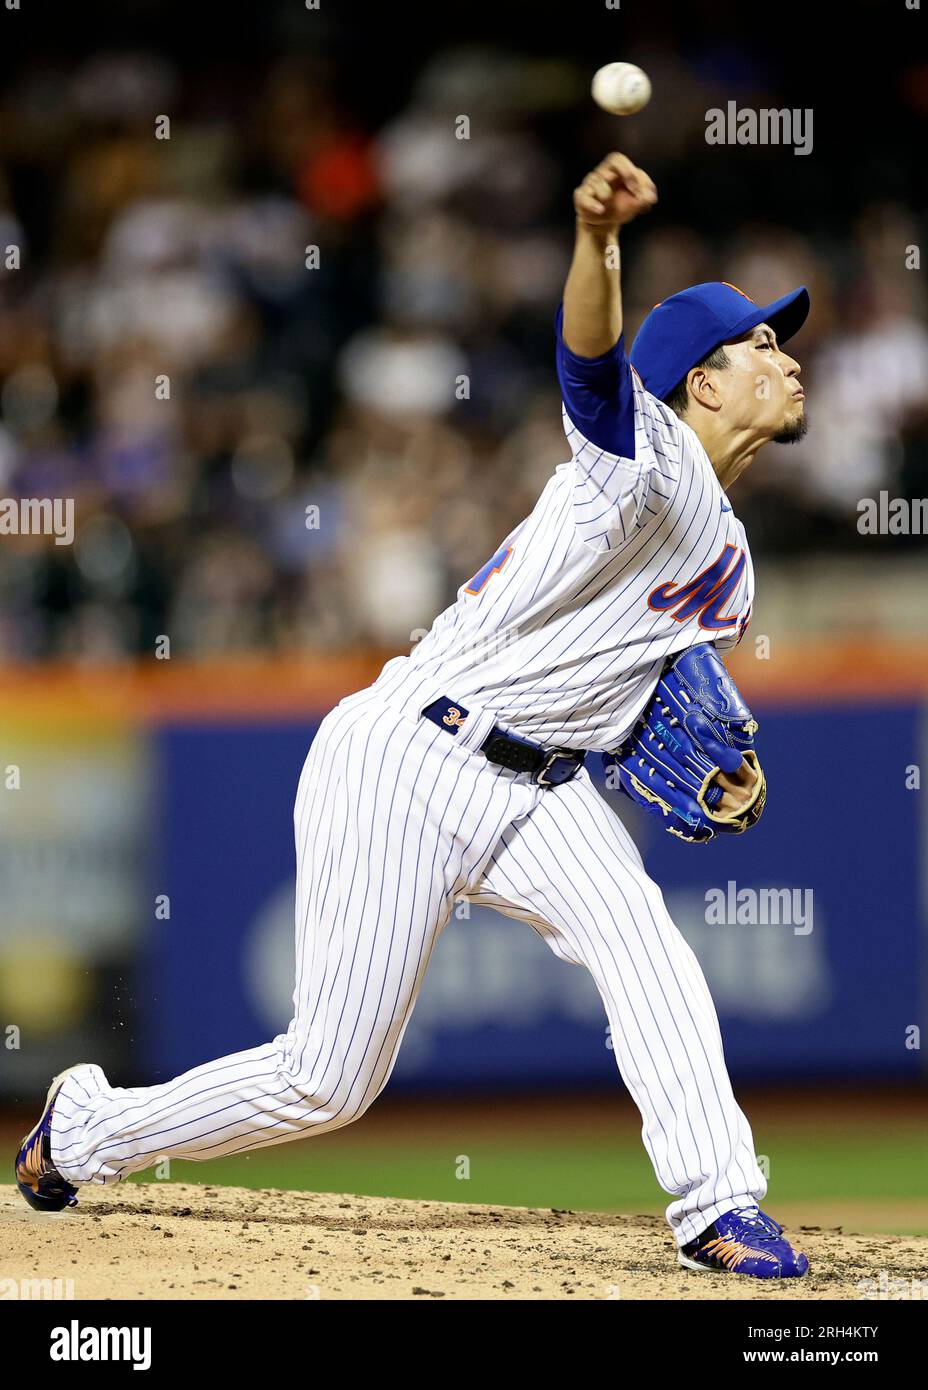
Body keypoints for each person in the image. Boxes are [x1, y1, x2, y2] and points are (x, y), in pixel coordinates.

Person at [16, 153, 810, 1279]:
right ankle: (88, 1127)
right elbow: (587, 361)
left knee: (650, 951)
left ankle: (718, 1205)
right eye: (761, 343)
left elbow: (635, 703)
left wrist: (717, 772)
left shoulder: (728, 561)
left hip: (542, 789)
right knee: (327, 1080)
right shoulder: (639, 462)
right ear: (703, 384)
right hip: (411, 753)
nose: (785, 358)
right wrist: (597, 242)